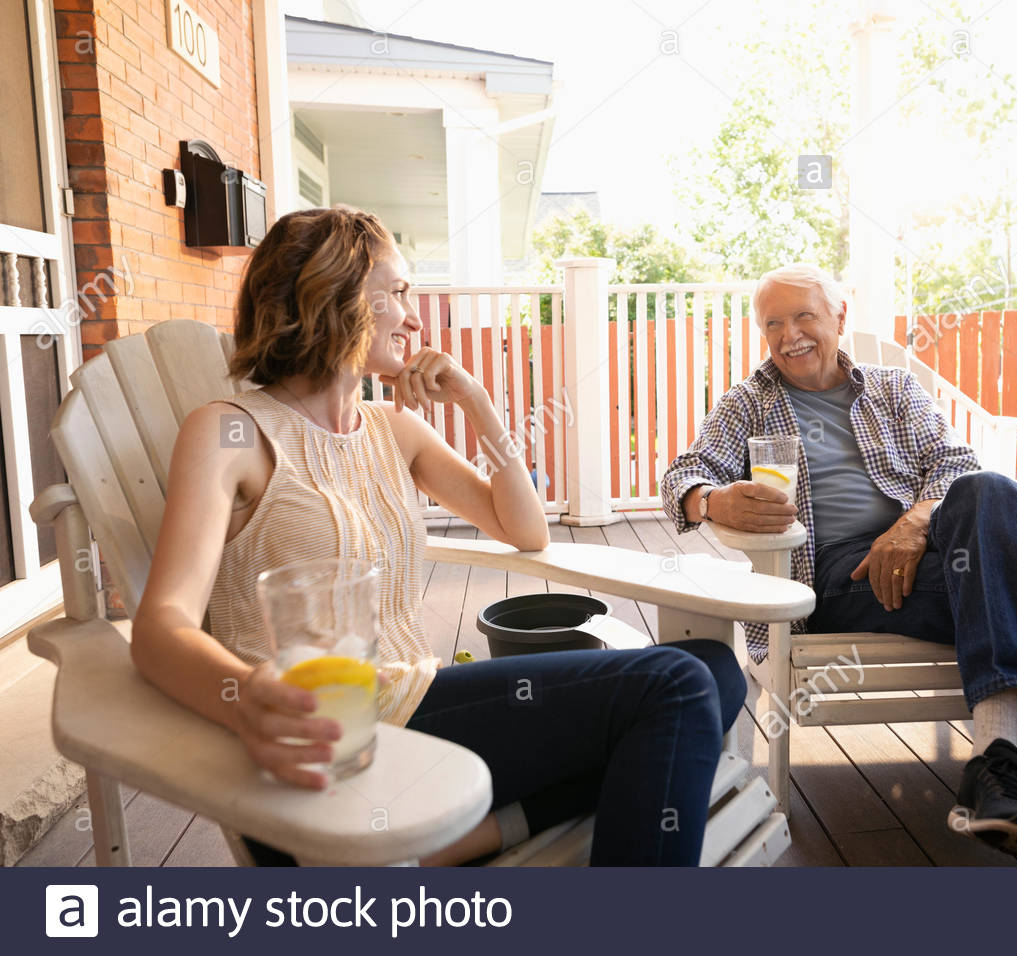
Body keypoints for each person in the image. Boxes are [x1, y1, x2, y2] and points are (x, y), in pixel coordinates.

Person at [131, 206, 745, 866]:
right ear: (330, 295)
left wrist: (476, 402)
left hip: (415, 704)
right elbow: (161, 624)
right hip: (342, 737)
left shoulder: (394, 431)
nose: (417, 318)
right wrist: (246, 697)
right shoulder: (229, 432)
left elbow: (526, 528)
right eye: (396, 293)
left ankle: (457, 844)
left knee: (715, 672)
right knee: (675, 687)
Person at [660, 263, 1017, 866]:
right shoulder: (750, 401)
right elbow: (682, 475)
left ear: (839, 318)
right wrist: (711, 499)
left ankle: (995, 765)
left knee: (990, 488)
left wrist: (914, 522)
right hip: (838, 579)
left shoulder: (895, 389)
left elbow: (954, 461)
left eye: (804, 317)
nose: (790, 334)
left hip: (932, 553)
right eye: (774, 323)